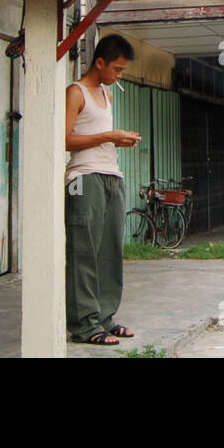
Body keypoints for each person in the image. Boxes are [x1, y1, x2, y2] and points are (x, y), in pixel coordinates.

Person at [65, 34, 141, 346]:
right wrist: (108, 136)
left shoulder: (108, 95)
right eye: (117, 69)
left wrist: (118, 140)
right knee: (84, 251)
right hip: (84, 178)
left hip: (112, 176)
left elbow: (98, 136)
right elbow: (65, 139)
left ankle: (105, 318)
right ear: (100, 62)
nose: (119, 76)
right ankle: (84, 325)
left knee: (110, 252)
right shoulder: (76, 92)